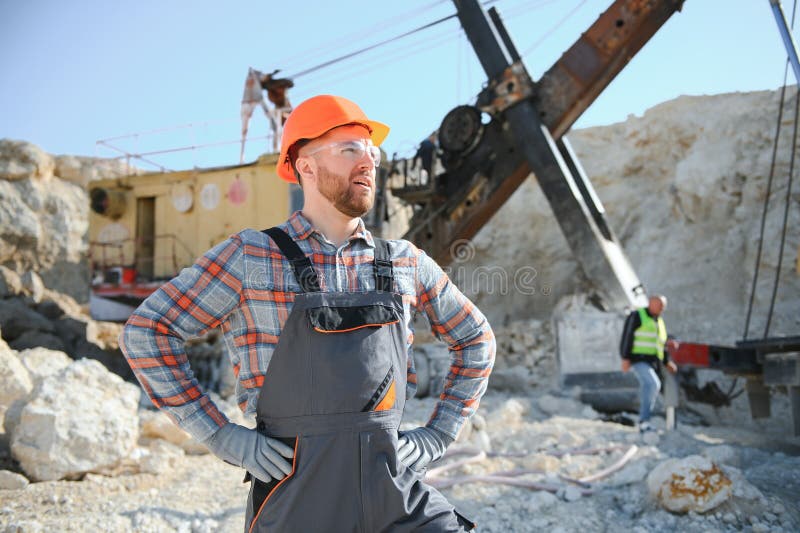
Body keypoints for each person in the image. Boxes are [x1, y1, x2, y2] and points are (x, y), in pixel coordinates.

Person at [120, 94, 495, 532]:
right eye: (349, 149)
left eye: (370, 151)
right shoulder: (250, 257)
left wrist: (439, 432)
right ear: (306, 165)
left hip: (392, 489)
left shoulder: (404, 261)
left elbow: (476, 339)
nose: (368, 161)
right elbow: (147, 332)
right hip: (298, 499)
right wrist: (219, 433)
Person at [619, 294, 678, 433]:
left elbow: (660, 344)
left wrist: (667, 361)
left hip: (652, 362)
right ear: (651, 303)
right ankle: (644, 421)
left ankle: (645, 421)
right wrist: (625, 358)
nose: (662, 309)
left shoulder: (659, 321)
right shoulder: (637, 316)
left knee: (650, 386)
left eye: (663, 306)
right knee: (653, 384)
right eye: (660, 305)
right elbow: (627, 336)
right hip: (638, 359)